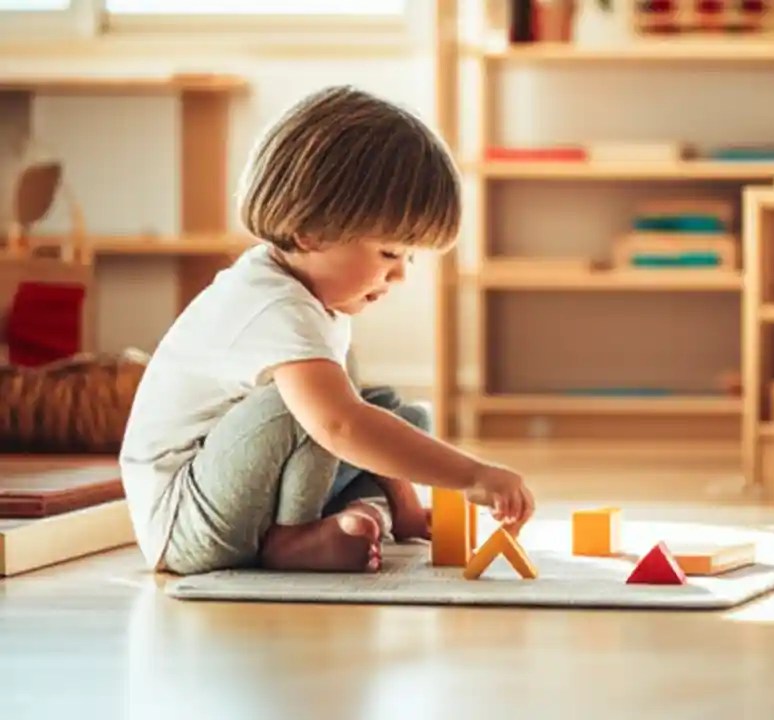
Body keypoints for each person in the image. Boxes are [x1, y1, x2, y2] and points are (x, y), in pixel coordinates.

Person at [119, 85, 534, 576]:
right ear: (312, 233)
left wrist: (405, 502)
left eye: (408, 257)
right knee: (320, 409)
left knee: (396, 417)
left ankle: (363, 517)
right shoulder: (274, 306)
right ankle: (294, 538)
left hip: (239, 493)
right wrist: (471, 475)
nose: (400, 275)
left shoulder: (315, 302)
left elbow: (355, 419)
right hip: (189, 521)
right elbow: (338, 426)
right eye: (389, 254)